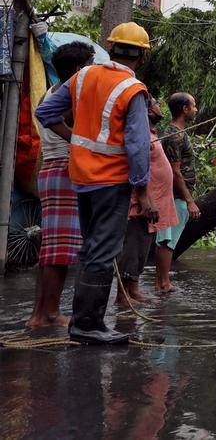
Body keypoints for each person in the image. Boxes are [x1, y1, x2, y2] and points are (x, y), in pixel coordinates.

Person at [36, 21, 156, 345]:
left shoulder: (83, 76)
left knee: (90, 250)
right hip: (112, 183)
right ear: (142, 57)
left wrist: (74, 138)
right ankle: (89, 325)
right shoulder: (133, 90)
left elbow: (45, 111)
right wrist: (143, 192)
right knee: (102, 252)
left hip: (82, 180)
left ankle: (82, 322)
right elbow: (137, 145)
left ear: (111, 48)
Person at [26, 41, 94, 328]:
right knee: (61, 249)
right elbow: (64, 123)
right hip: (65, 169)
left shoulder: (51, 94)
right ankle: (50, 314)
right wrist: (79, 141)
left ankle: (39, 313)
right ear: (79, 69)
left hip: (52, 171)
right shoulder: (69, 96)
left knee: (52, 246)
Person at [116, 97, 175, 305]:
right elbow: (137, 165)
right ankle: (122, 295)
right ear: (148, 111)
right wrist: (144, 197)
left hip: (153, 201)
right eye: (156, 103)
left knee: (142, 248)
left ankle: (133, 289)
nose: (160, 106)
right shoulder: (141, 134)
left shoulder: (150, 134)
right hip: (142, 202)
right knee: (133, 247)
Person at [157, 91, 199, 293]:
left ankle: (162, 282)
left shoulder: (172, 132)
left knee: (167, 238)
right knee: (168, 240)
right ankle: (163, 283)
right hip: (175, 195)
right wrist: (189, 200)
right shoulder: (174, 135)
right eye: (193, 105)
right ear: (185, 109)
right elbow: (175, 171)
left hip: (173, 194)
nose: (196, 109)